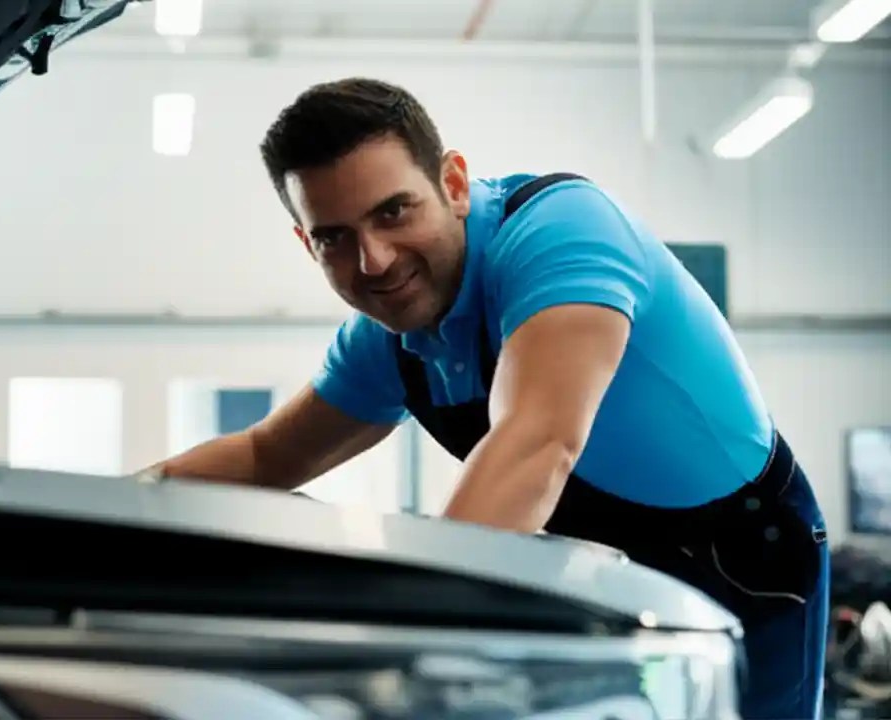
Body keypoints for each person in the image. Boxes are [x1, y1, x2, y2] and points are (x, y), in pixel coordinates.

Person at [143, 77, 829, 719]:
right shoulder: (387, 337)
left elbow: (538, 441)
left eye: (394, 212)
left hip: (749, 564)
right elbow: (265, 455)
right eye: (335, 238)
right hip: (601, 575)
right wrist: (83, 514)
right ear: (307, 242)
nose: (374, 261)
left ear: (454, 183)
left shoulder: (560, 231)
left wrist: (407, 637)